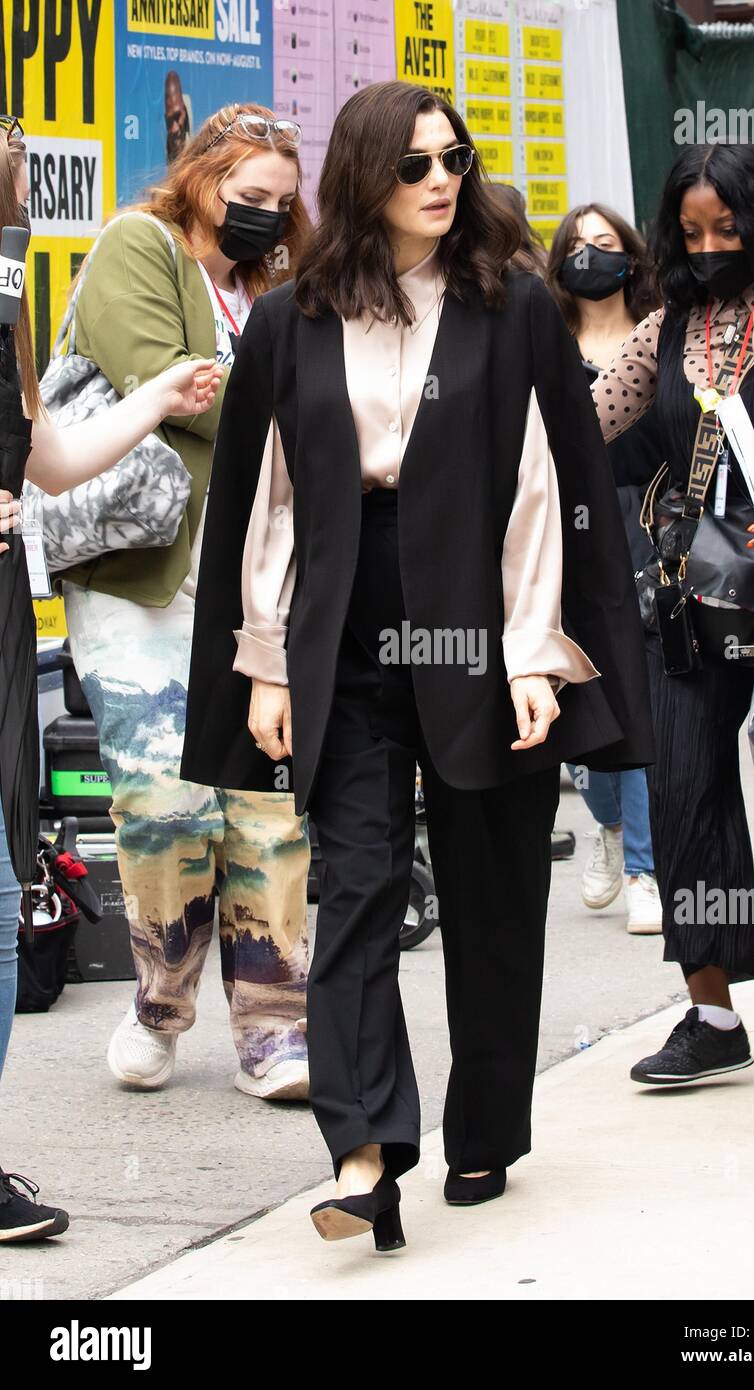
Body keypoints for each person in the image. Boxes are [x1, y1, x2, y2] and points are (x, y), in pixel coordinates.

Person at [181, 80, 654, 1249]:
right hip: (340, 628)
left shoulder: (515, 307)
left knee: (495, 898)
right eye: (414, 165)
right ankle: (363, 1153)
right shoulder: (292, 320)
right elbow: (266, 503)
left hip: (483, 624)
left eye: (455, 159)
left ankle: (483, 1127)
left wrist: (537, 652)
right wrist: (265, 664)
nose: (441, 180)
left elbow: (546, 488)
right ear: (364, 178)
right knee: (354, 890)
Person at [60, 103, 315, 1102]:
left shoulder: (274, 286)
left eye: (281, 205)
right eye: (246, 196)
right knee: (164, 808)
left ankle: (273, 1027)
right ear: (200, 175)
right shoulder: (140, 245)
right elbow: (174, 386)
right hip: (148, 578)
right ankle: (161, 999)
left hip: (260, 586)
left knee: (267, 807)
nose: (261, 216)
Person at [0, 112, 221, 1242]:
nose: (18, 216)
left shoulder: (9, 307)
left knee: (0, 892)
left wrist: (156, 402)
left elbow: (47, 454)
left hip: (1, 604)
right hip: (80, 598)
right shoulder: (139, 249)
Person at [590, 144, 754, 1088]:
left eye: (726, 230)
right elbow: (583, 423)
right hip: (688, 599)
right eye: (690, 233)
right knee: (687, 792)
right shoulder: (661, 335)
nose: (707, 248)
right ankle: (710, 1009)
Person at [547, 203, 663, 934]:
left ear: (631, 256)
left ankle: (649, 870)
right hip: (567, 529)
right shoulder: (547, 341)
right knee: (581, 686)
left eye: (606, 244)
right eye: (579, 245)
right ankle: (610, 829)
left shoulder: (658, 334)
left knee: (643, 694)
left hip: (646, 523)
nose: (592, 256)